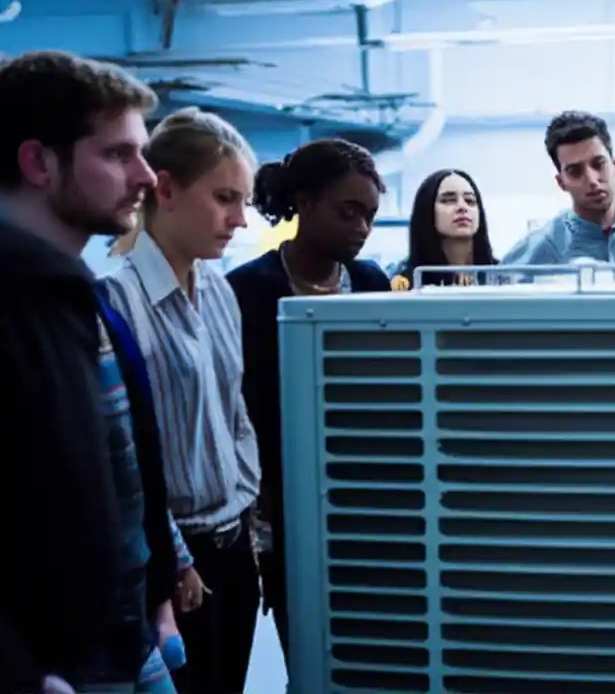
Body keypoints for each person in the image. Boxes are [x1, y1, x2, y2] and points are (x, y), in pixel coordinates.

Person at [0, 50, 182, 694]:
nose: (145, 176)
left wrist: (156, 586)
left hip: (122, 634)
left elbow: (119, 466)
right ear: (38, 162)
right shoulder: (17, 306)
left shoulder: (84, 300)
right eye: (116, 155)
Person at [103, 106, 262, 694]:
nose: (240, 219)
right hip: (172, 559)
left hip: (233, 543)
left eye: (243, 200)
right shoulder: (116, 302)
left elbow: (234, 413)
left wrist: (248, 519)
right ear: (164, 189)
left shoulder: (221, 291)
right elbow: (124, 453)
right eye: (225, 197)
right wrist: (172, 556)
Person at [227, 138, 392, 666]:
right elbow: (241, 408)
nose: (362, 228)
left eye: (369, 216)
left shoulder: (372, 284)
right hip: (282, 503)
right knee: (306, 646)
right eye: (349, 212)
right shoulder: (248, 290)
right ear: (304, 202)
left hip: (368, 501)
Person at [501, 110, 615, 268]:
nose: (592, 180)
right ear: (561, 182)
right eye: (575, 171)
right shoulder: (534, 251)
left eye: (599, 164)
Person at [391, 168, 497, 289]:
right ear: (426, 210)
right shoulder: (404, 282)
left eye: (470, 201)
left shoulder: (504, 276)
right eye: (448, 200)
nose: (462, 207)